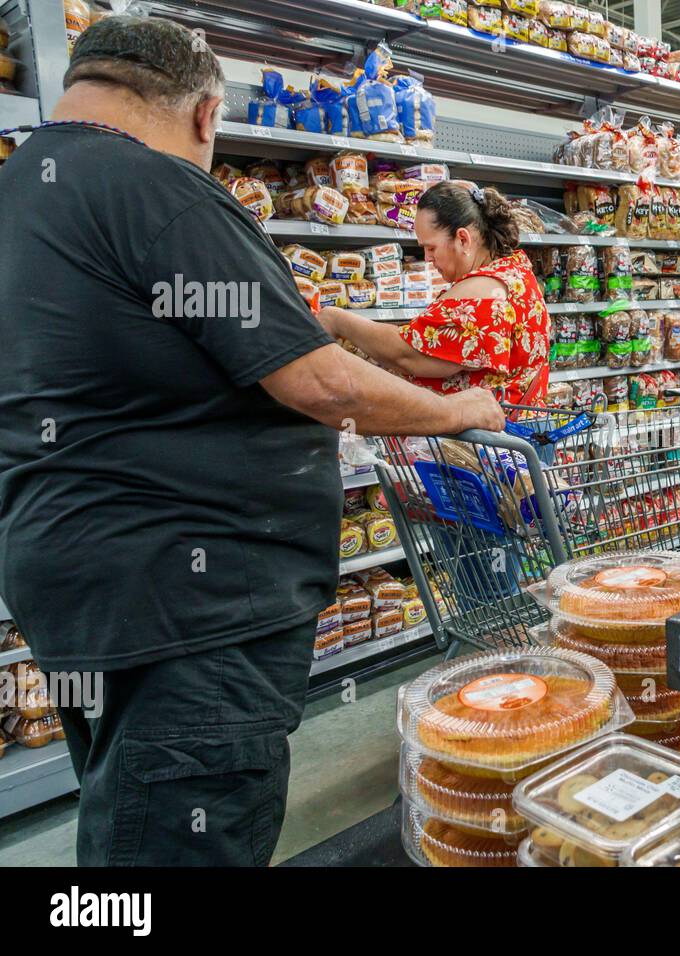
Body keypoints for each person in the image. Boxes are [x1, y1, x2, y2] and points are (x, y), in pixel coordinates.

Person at [0, 15, 503, 866]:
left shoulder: (23, 189)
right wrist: (465, 410)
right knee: (183, 837)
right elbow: (317, 379)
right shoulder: (156, 189)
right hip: (189, 607)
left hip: (84, 582)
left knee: (127, 811)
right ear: (206, 114)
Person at [316, 182, 550, 407]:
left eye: (431, 248)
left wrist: (336, 320)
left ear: (462, 239)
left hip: (484, 443)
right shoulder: (515, 272)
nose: (427, 258)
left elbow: (407, 355)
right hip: (517, 436)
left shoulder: (481, 294)